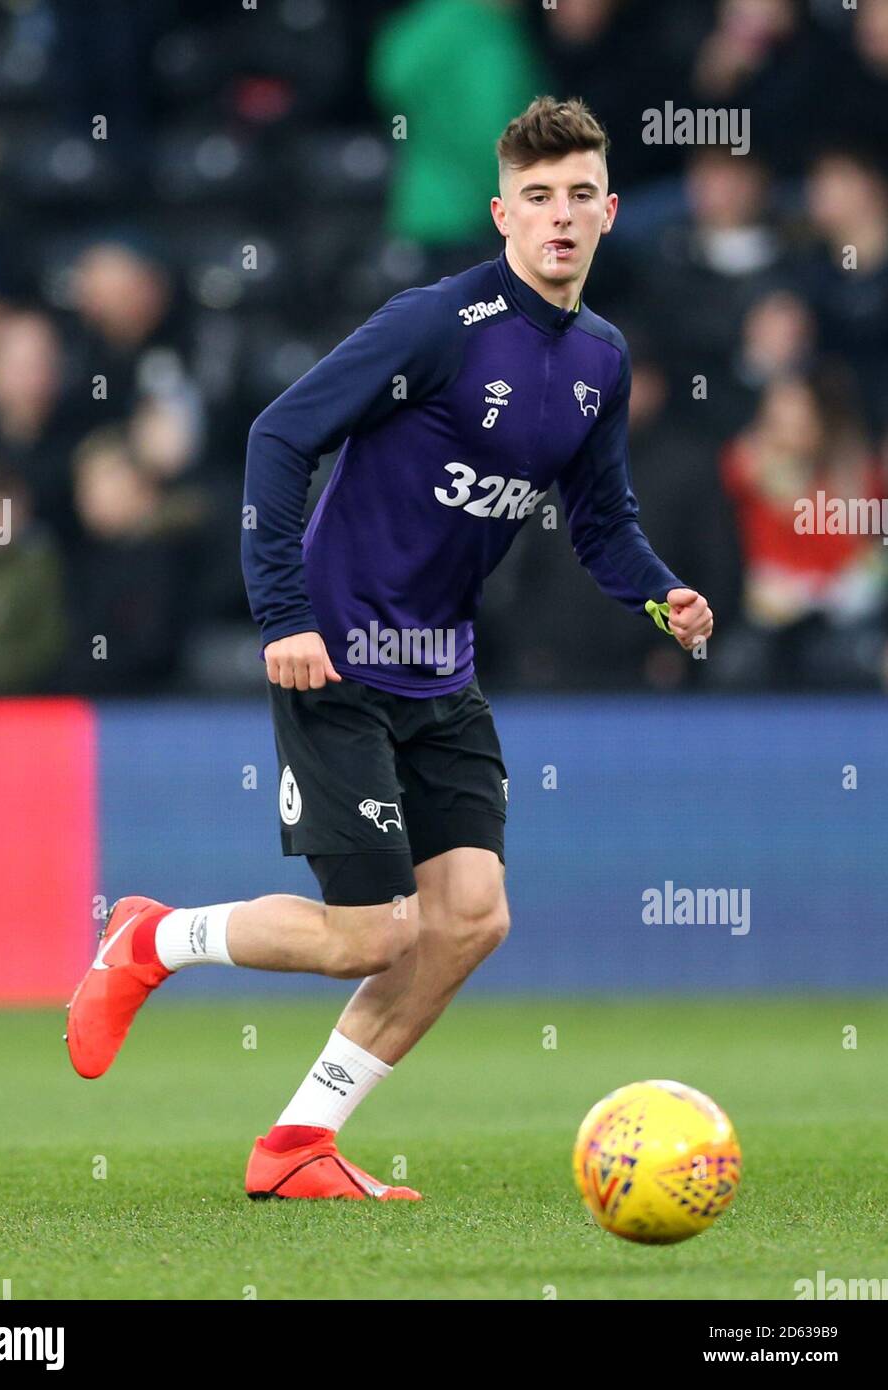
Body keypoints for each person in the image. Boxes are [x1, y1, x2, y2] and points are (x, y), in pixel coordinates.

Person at [64, 96, 713, 1200]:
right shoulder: (436, 325)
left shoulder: (602, 359)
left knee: (470, 918)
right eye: (537, 199)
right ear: (502, 211)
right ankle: (154, 938)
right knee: (369, 933)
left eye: (579, 199)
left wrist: (663, 598)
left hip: (441, 669)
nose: (559, 218)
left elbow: (600, 521)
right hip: (338, 656)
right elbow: (279, 433)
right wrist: (283, 618)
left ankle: (296, 1144)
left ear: (609, 212)